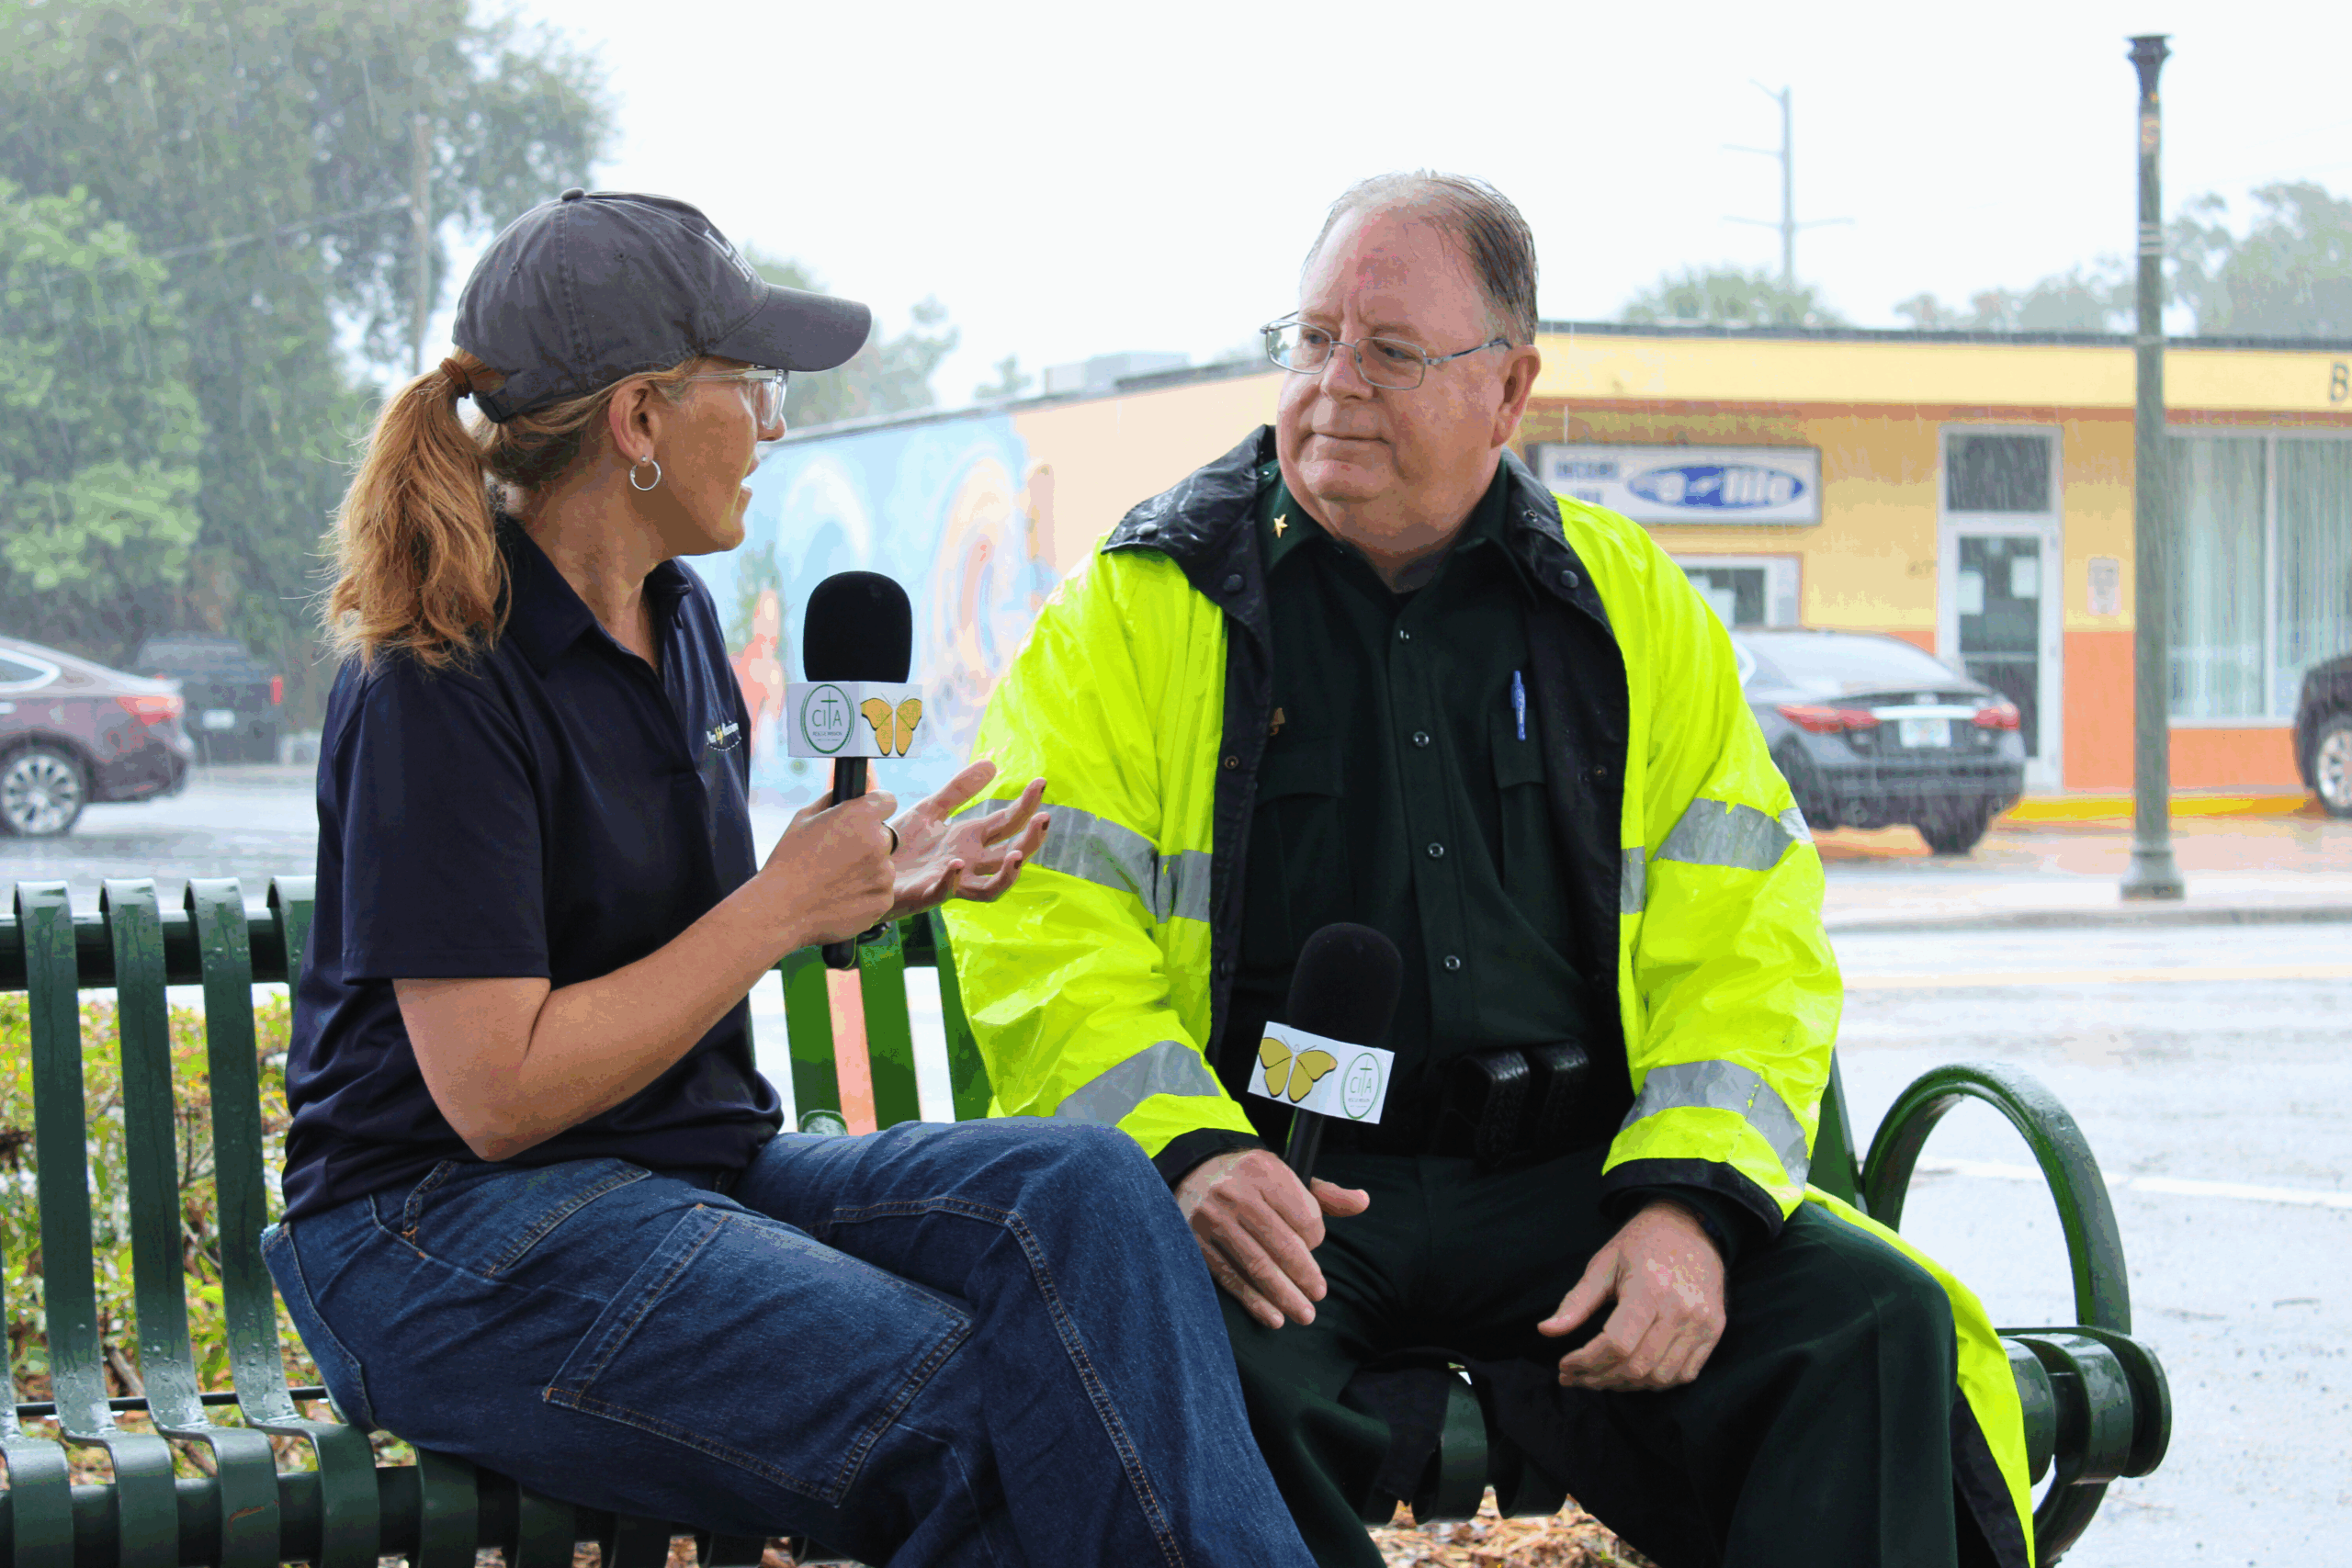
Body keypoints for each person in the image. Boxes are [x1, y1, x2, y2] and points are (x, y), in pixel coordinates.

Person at [942, 173, 2036, 1568]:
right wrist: (1186, 1155)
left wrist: (1688, 1207)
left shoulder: (1627, 608)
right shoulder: (1137, 608)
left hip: (1575, 1188)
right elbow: (1045, 927)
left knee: (1868, 1320)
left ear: (1510, 389)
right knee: (1153, 1363)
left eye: (1391, 352)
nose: (1335, 384)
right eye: (1312, 337)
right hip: (1283, 1187)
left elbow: (1750, 939)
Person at [266, 188, 1318, 1568]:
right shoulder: (437, 676)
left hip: (688, 1170)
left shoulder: (680, 618)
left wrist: (859, 887)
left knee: (1093, 1192)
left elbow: (654, 949)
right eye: (751, 384)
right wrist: (780, 908)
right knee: (977, 1410)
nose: (775, 421)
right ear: (638, 421)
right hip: (436, 1238)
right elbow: (497, 1093)